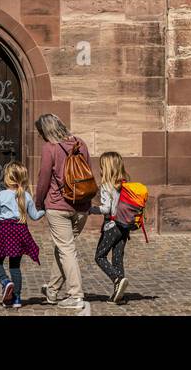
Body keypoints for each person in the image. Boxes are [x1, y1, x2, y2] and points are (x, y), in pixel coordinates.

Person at [34, 113, 93, 309]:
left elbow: (43, 179)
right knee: (64, 248)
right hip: (82, 206)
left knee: (66, 249)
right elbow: (88, 173)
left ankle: (75, 295)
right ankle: (52, 290)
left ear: (46, 130)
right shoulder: (80, 143)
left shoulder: (50, 148)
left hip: (58, 206)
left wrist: (39, 202)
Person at [0, 160, 45, 308]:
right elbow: (35, 216)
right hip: (20, 232)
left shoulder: (1, 195)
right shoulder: (27, 196)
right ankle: (16, 299)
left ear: (7, 178)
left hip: (5, 232)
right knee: (15, 266)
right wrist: (45, 209)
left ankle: (5, 281)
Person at [90, 150, 130, 305]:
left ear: (106, 168)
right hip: (124, 227)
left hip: (112, 226)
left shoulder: (106, 186)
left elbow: (106, 209)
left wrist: (92, 210)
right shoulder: (125, 183)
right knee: (117, 258)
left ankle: (118, 279)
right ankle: (119, 295)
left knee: (99, 256)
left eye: (101, 166)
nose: (100, 169)